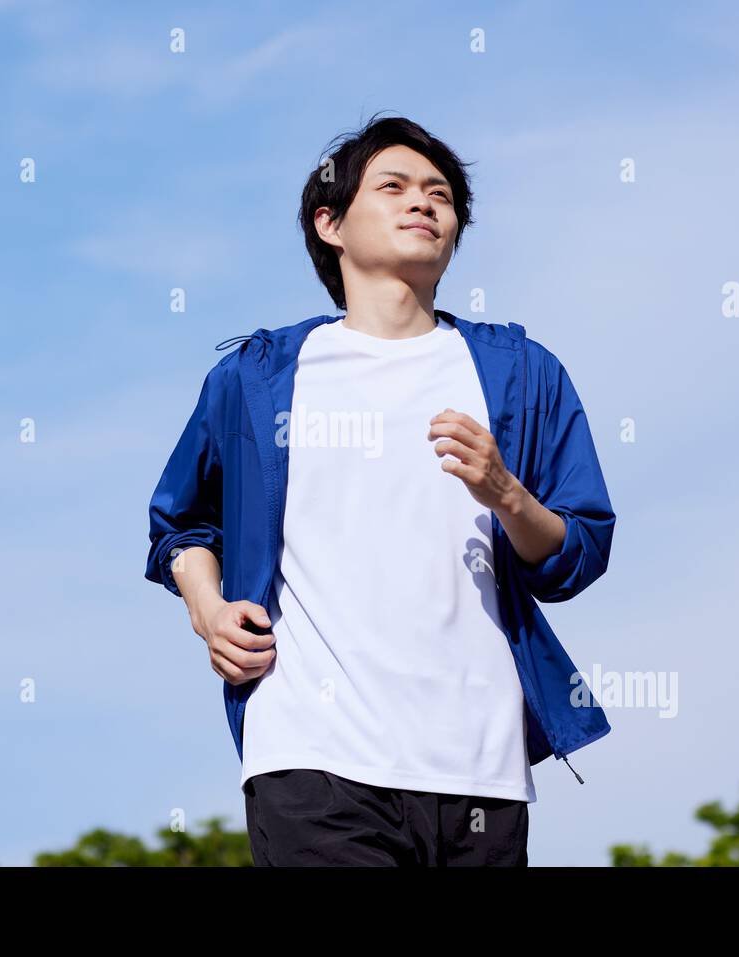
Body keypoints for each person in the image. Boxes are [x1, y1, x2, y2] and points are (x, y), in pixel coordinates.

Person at [146, 113, 617, 866]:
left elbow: (579, 550)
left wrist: (506, 492)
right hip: (312, 758)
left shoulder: (521, 373)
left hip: (480, 767)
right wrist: (210, 612)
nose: (423, 203)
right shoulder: (259, 376)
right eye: (393, 187)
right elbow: (181, 523)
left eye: (441, 194)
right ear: (329, 223)